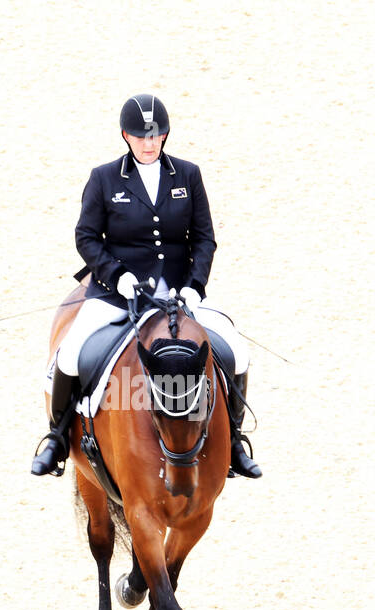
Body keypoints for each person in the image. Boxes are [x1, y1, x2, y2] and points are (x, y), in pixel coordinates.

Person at [31, 94, 262, 480]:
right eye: (141, 137)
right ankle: (56, 438)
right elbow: (87, 236)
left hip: (178, 295)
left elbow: (204, 239)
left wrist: (194, 286)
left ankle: (235, 442)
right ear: (126, 135)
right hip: (117, 293)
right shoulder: (104, 178)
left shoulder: (187, 175)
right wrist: (116, 276)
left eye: (156, 136)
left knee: (237, 352)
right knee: (70, 355)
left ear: (165, 135)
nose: (149, 143)